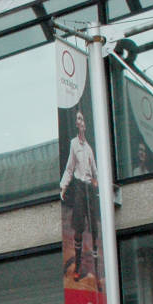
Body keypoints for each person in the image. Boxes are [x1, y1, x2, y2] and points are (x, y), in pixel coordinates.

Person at [59, 108, 98, 281]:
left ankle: (96, 268)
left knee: (95, 229)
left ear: (85, 123)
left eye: (82, 119)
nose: (80, 122)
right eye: (78, 119)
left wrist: (96, 183)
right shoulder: (74, 144)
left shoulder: (89, 149)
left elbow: (95, 172)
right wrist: (63, 186)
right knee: (78, 228)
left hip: (89, 188)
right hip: (80, 188)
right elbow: (69, 167)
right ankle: (78, 266)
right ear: (76, 124)